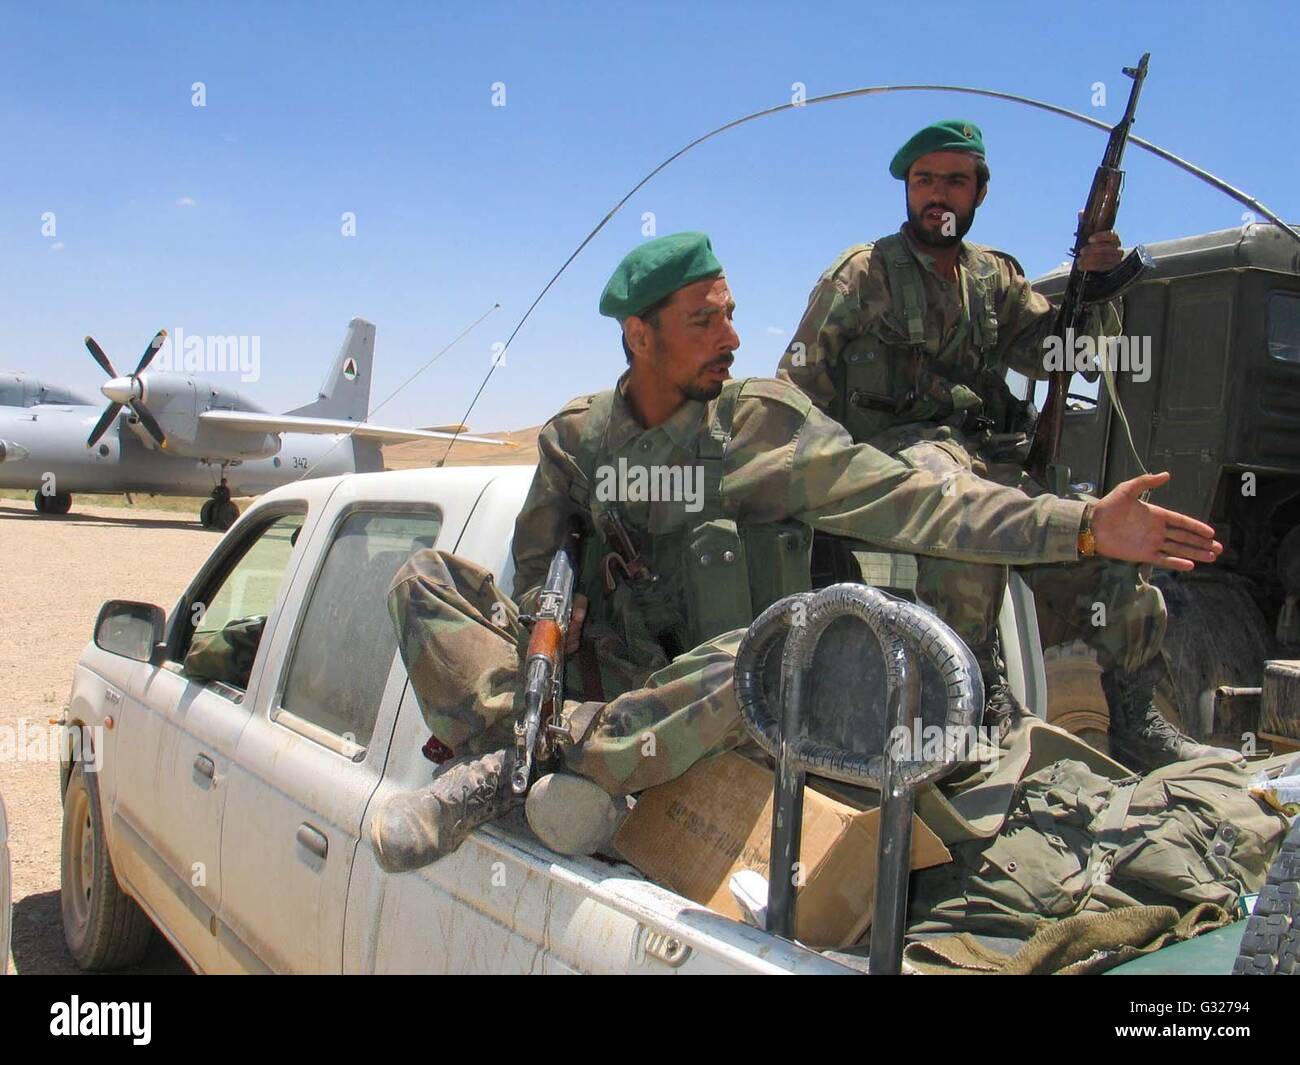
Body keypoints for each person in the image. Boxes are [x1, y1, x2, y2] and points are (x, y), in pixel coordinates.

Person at [371, 231, 1223, 873]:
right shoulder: (574, 441)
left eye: (732, 314)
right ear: (639, 337)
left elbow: (919, 503)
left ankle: (517, 768)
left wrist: (1077, 525)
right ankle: (543, 745)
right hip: (611, 684)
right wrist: (553, 610)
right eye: (704, 321)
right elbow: (535, 582)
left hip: (719, 714)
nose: (733, 338)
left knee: (778, 648)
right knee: (424, 577)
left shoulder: (762, 429)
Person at [776, 119, 1233, 772]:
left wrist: (1096, 287)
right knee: (967, 520)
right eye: (924, 179)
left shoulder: (994, 277)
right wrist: (804, 489)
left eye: (955, 180)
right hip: (892, 457)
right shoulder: (861, 274)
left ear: (978, 193)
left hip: (985, 454)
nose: (939, 194)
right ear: (907, 189)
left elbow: (1059, 354)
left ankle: (1132, 714)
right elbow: (795, 388)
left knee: (1101, 540)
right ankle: (968, 699)